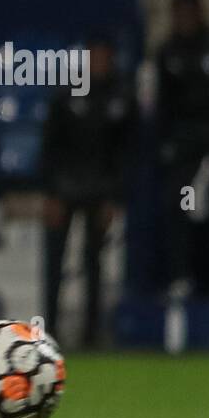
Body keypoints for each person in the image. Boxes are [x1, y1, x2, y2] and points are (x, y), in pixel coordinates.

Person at [41, 36, 133, 346]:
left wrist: (114, 198)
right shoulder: (66, 95)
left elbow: (123, 153)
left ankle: (91, 335)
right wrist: (51, 193)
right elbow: (50, 147)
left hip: (99, 191)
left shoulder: (121, 98)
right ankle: (48, 330)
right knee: (55, 261)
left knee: (94, 263)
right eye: (94, 57)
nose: (99, 63)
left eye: (104, 57)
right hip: (64, 190)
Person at [155, 0, 209, 301]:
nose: (185, 19)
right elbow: (164, 106)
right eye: (179, 13)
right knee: (180, 202)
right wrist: (169, 144)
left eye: (190, 13)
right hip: (186, 147)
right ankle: (181, 277)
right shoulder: (169, 53)